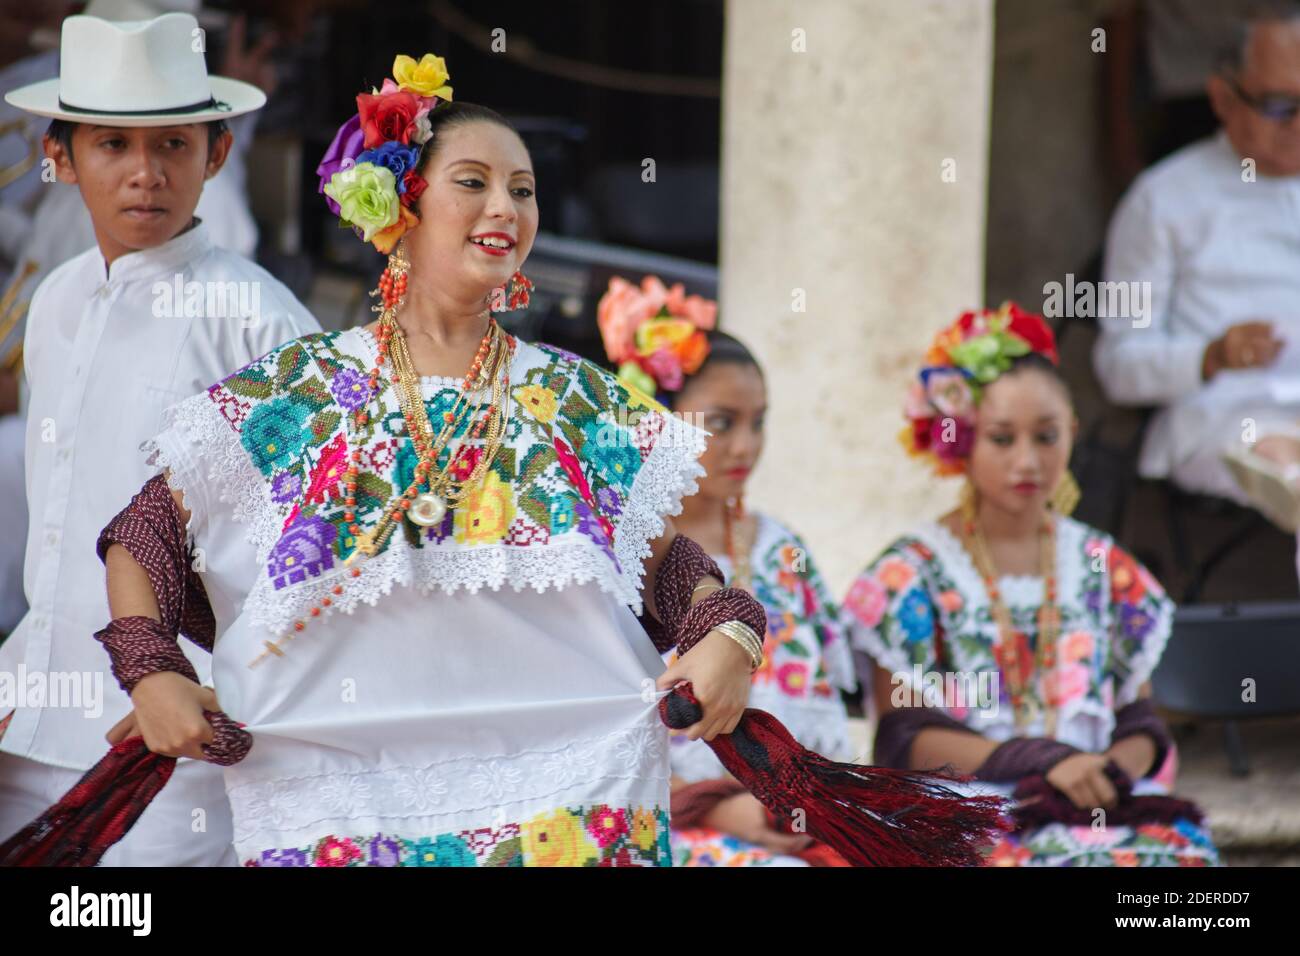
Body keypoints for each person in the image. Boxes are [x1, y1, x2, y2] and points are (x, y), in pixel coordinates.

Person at [86, 50, 768, 868]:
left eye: (523, 189)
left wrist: (729, 629)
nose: (505, 206)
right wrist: (150, 668)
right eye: (473, 181)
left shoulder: (572, 396)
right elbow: (147, 534)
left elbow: (663, 563)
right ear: (401, 201)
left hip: (565, 806)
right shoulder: (306, 392)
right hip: (343, 804)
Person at [0, 11, 319, 865]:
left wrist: (224, 691)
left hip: (177, 739)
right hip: (32, 713)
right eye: (112, 145)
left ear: (216, 155)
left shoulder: (259, 322)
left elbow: (308, 547)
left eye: (174, 146)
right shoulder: (58, 299)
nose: (146, 174)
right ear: (59, 157)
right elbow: (58, 530)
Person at [846, 303, 1219, 866]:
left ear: (1071, 434)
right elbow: (907, 735)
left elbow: (1140, 719)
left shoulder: (1103, 564)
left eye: (1046, 437)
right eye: (1002, 439)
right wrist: (1042, 760)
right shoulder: (908, 574)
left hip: (1091, 799)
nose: (1028, 461)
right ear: (960, 439)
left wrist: (1107, 770)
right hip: (970, 804)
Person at [597, 275, 856, 866]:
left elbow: (832, 708)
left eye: (758, 422)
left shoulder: (782, 549)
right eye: (722, 422)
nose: (746, 447)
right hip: (665, 820)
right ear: (655, 416)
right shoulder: (622, 555)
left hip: (801, 818)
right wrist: (714, 805)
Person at [1093, 8, 1300, 533]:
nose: (1298, 126)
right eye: (1280, 106)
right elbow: (1119, 364)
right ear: (1223, 98)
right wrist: (1211, 356)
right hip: (1227, 418)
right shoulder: (1162, 200)